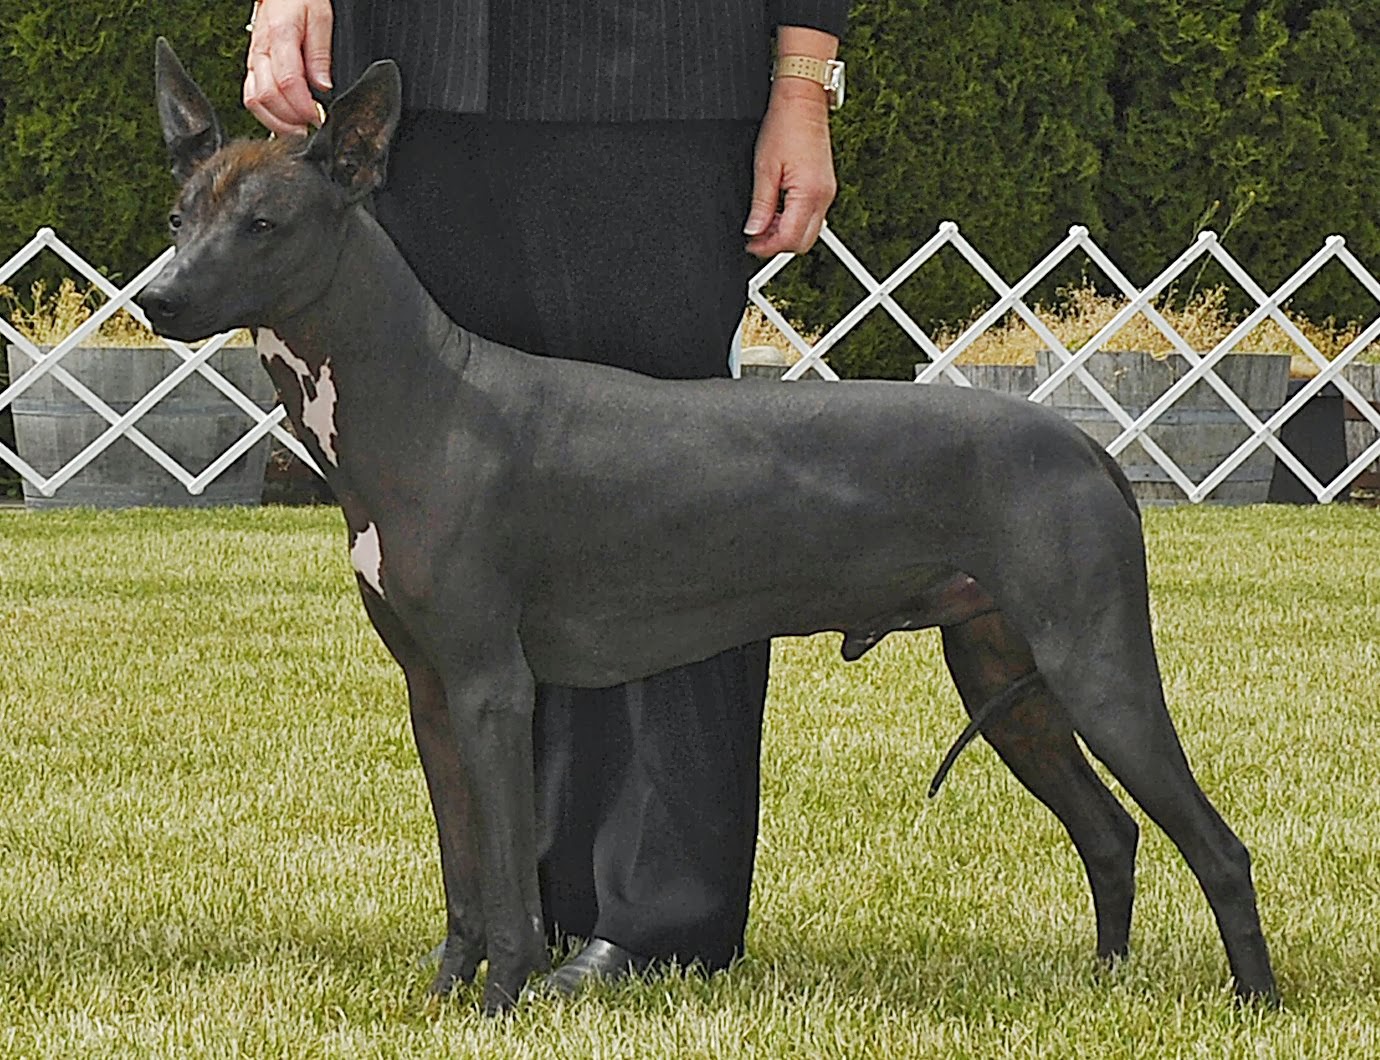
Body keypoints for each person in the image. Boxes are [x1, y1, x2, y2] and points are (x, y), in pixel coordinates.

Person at [242, 0, 849, 993]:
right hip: (421, 79)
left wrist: (804, 84)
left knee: (670, 496)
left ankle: (661, 914)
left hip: (660, 79)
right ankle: (519, 911)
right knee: (475, 520)